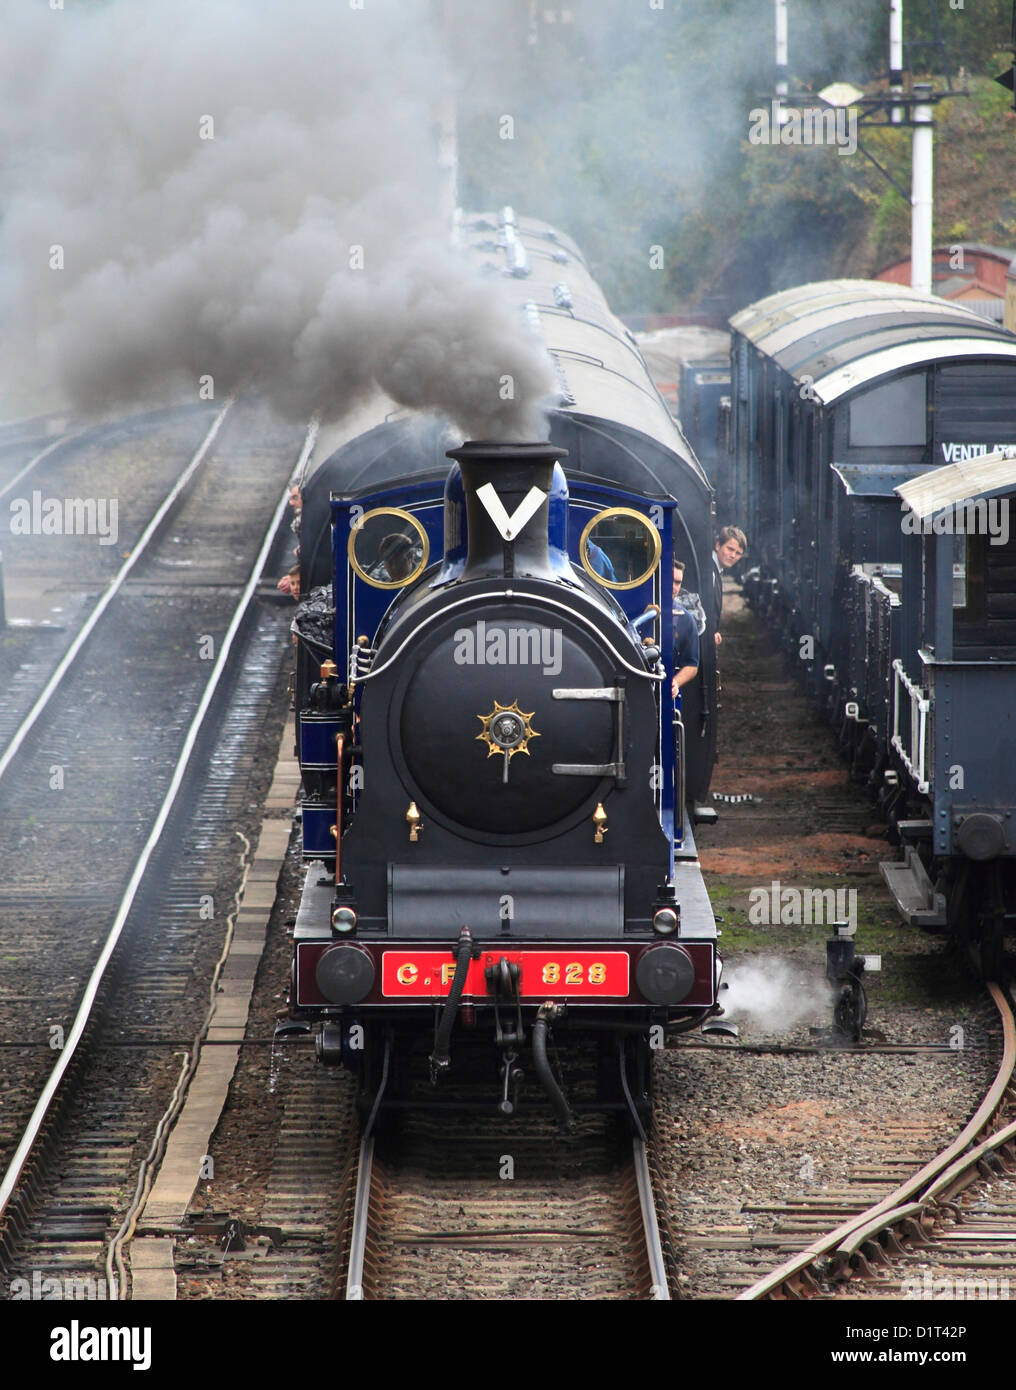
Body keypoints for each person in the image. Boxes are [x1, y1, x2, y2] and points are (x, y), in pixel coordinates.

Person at [712, 525, 747, 645]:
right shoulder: (709, 572)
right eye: (730, 549)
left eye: (738, 553)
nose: (733, 555)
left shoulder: (715, 570)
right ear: (718, 545)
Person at [672, 560, 700, 699]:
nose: (674, 587)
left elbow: (692, 665)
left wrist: (675, 682)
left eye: (678, 582)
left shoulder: (685, 619)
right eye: (670, 580)